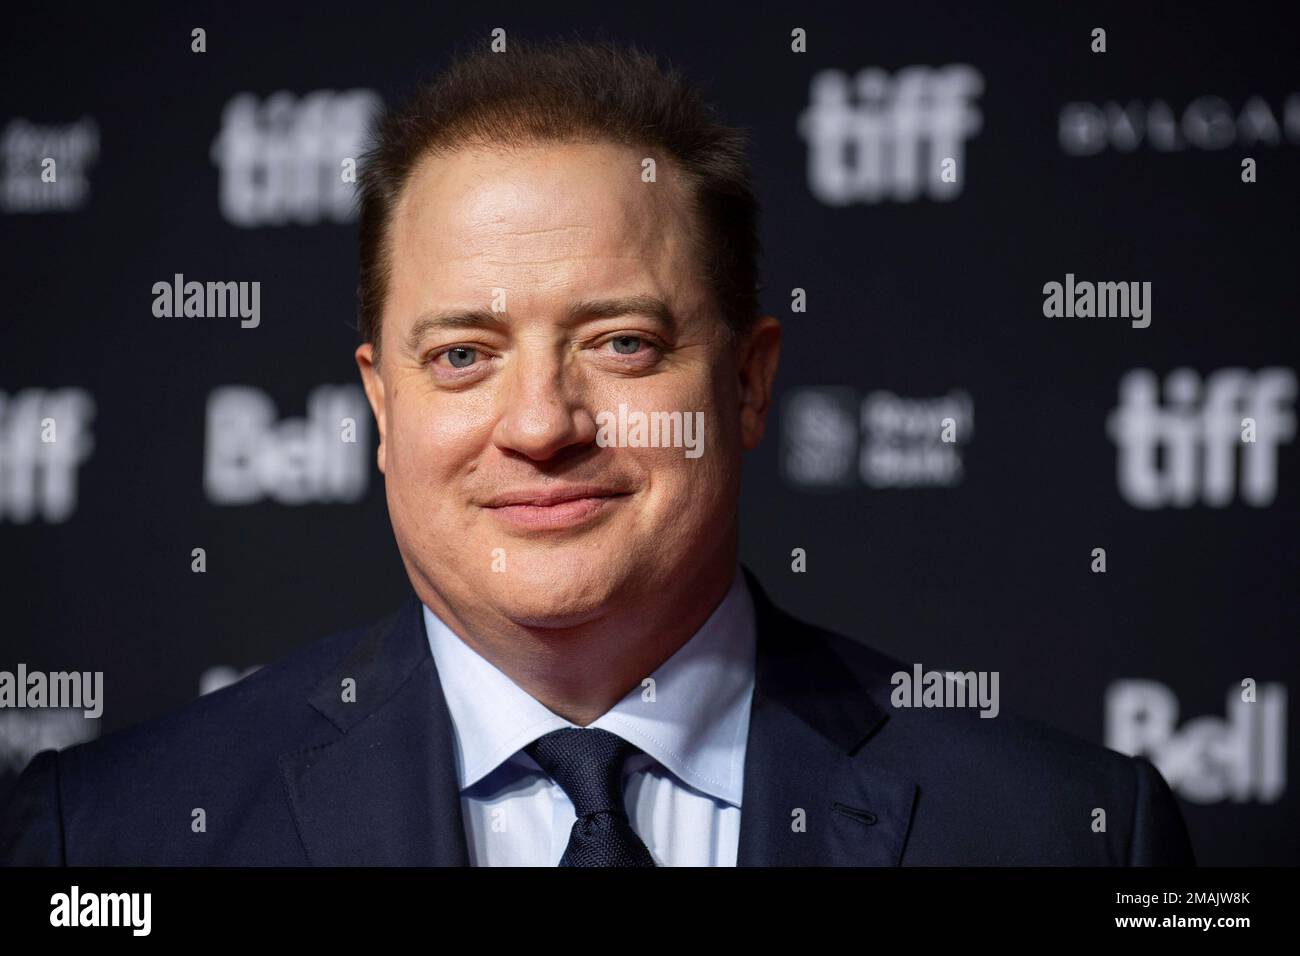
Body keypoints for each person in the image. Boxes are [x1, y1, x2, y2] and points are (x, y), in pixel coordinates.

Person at [0, 38, 1194, 867]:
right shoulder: (110, 835)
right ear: (380, 404)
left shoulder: (1064, 828)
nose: (539, 423)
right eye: (463, 354)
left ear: (746, 383)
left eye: (620, 342)